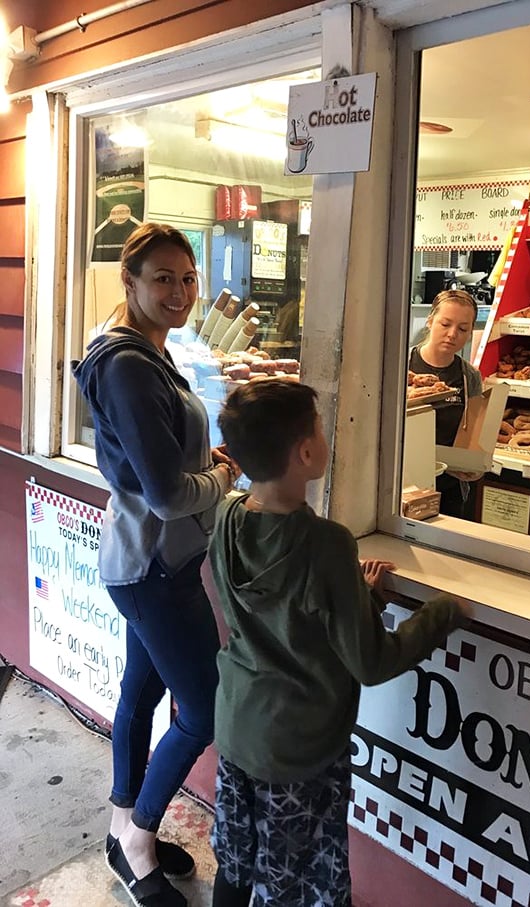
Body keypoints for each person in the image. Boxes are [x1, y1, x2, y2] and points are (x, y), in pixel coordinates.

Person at [208, 379, 471, 907]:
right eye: (322, 430)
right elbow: (372, 662)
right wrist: (445, 612)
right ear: (306, 452)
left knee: (237, 863)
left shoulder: (228, 515)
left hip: (238, 724)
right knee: (297, 882)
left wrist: (357, 595)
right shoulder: (326, 544)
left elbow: (280, 620)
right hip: (299, 748)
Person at [72, 223, 237, 907]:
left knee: (140, 694)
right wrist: (224, 476)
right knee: (204, 710)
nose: (179, 292)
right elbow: (169, 493)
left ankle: (120, 830)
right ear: (130, 281)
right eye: (162, 278)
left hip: (144, 560)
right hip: (154, 568)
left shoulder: (140, 348)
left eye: (188, 277)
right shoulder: (131, 363)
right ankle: (139, 842)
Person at [409, 288, 484, 516]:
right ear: (430, 322)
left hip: (449, 487)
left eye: (463, 329)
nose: (453, 334)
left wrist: (474, 466)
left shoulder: (469, 376)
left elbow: (473, 432)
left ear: (470, 333)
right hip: (404, 483)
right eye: (445, 324)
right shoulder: (401, 365)